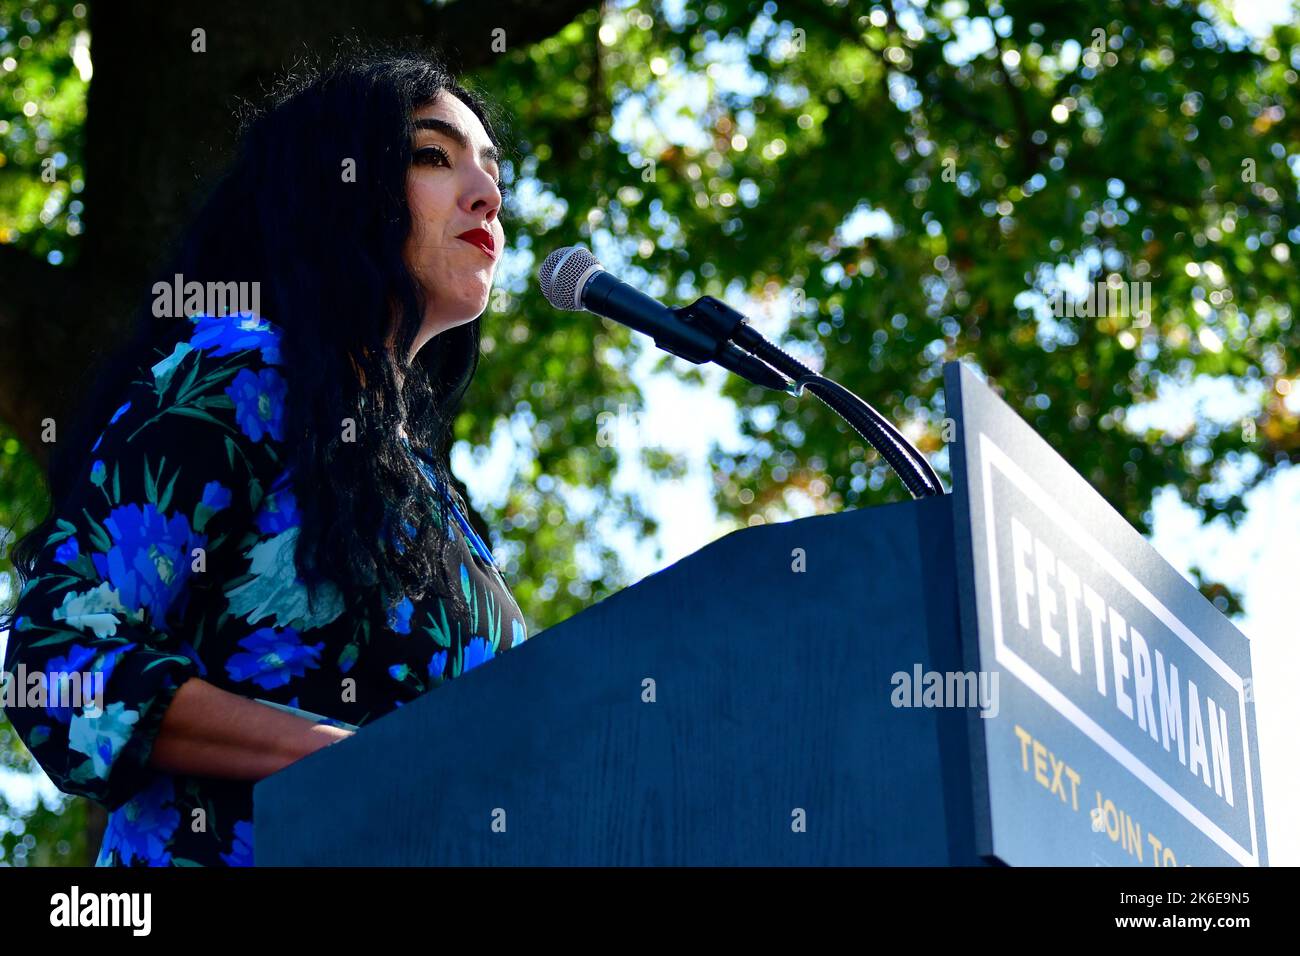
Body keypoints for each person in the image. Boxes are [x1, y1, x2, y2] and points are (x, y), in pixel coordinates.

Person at [0, 46, 528, 866]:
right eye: (432, 156)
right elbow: (57, 664)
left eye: (493, 171)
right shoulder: (244, 373)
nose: (488, 194)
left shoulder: (436, 499)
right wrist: (349, 764)